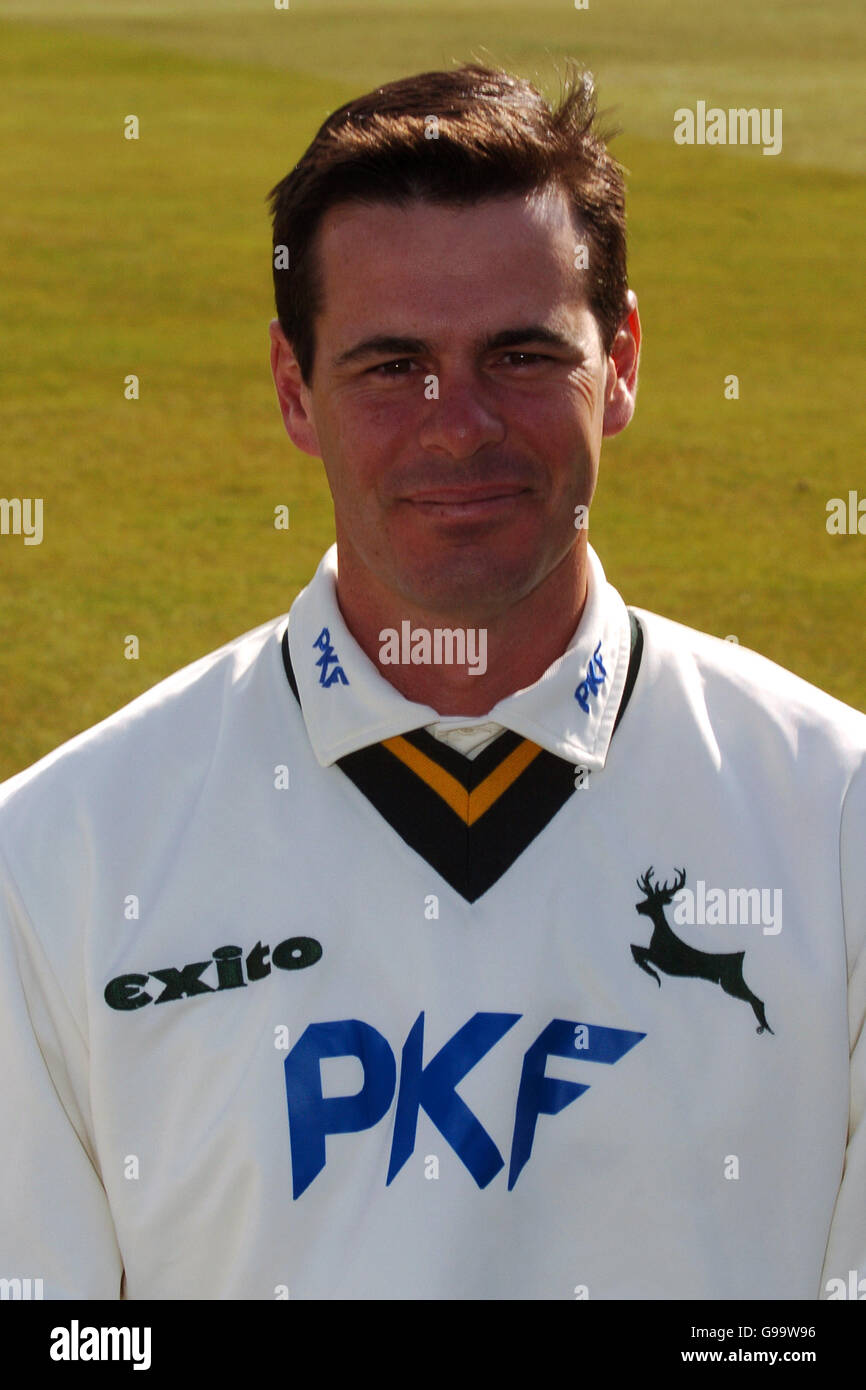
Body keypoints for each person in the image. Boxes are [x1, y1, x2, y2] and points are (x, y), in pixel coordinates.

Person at [0, 62, 863, 1302]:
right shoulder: (54, 860)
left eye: (519, 355)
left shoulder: (838, 824)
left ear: (618, 362)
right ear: (295, 392)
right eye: (388, 364)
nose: (455, 425)